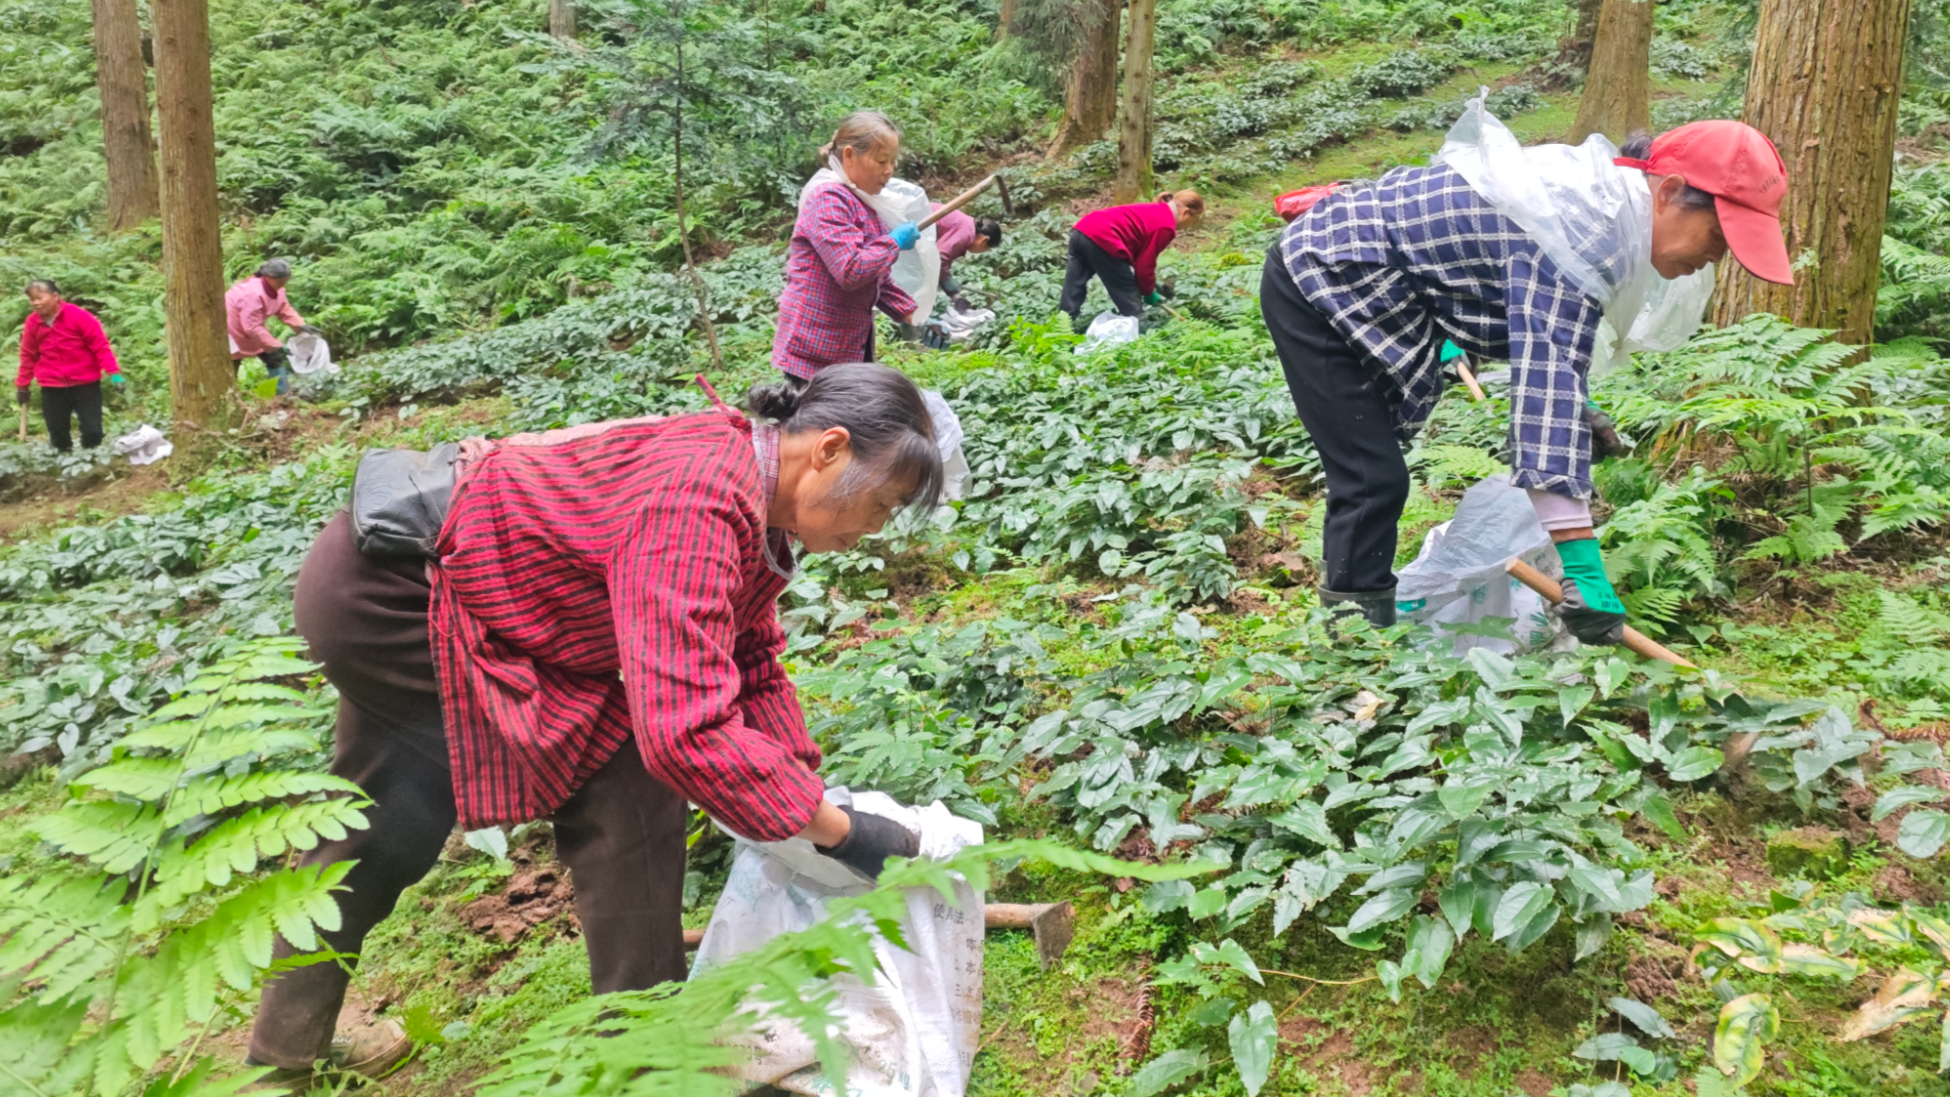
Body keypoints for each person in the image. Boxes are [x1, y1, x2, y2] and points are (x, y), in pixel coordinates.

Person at [243, 363, 943, 1090]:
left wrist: (806, 790)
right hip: (400, 595)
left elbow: (748, 656)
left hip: (379, 573)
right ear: (828, 449)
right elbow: (685, 733)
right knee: (630, 780)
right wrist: (840, 832)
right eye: (884, 504)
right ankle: (649, 1064)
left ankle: (280, 1057)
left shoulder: (746, 489)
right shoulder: (698, 497)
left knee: (385, 818)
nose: (874, 529)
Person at [1261, 110, 1792, 635]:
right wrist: (1582, 567)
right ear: (1670, 192)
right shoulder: (1582, 233)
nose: (1716, 257)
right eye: (1719, 234)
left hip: (1381, 284)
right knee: (1371, 476)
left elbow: (1539, 331)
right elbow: (1545, 400)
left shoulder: (1606, 210)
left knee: (1374, 467)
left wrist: (1577, 406)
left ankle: (1361, 622)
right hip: (1322, 275)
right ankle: (1352, 648)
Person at [774, 112, 924, 382]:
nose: (889, 170)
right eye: (881, 161)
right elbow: (852, 270)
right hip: (815, 348)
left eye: (892, 162)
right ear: (849, 155)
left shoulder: (865, 202)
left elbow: (876, 276)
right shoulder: (829, 197)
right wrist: (893, 242)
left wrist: (915, 317)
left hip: (850, 345)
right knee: (818, 423)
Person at [1058, 190, 1204, 325]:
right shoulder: (1166, 225)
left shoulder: (1156, 210)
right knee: (1128, 297)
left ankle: (1060, 330)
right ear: (1185, 213)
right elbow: (1144, 265)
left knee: (1073, 287)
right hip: (1104, 238)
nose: (1190, 225)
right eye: (1194, 220)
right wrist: (1147, 293)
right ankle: (1140, 339)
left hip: (1082, 230)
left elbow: (1137, 254)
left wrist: (1153, 285)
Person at [15, 279, 123, 453]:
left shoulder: (78, 315)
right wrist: (22, 386)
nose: (35, 303)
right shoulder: (32, 323)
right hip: (52, 385)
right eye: (32, 299)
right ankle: (65, 464)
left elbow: (100, 346)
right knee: (58, 434)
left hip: (85, 383)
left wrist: (115, 374)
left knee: (93, 430)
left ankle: (92, 461)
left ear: (55, 296)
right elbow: (28, 355)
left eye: (39, 298)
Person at [226, 259, 315, 396]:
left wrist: (300, 325)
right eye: (280, 282)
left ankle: (281, 394)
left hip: (251, 327)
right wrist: (274, 345)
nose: (283, 284)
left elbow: (283, 308)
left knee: (274, 357)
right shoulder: (252, 294)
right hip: (232, 329)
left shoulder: (277, 289)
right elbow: (252, 327)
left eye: (285, 281)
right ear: (268, 277)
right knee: (231, 363)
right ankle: (229, 397)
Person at [932, 205, 1002, 310]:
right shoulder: (966, 233)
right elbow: (938, 259)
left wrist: (953, 294)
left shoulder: (967, 226)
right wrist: (953, 292)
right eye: (987, 248)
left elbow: (941, 262)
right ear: (984, 240)